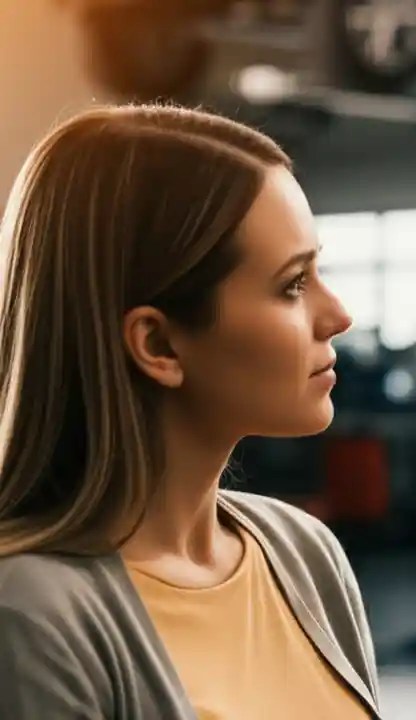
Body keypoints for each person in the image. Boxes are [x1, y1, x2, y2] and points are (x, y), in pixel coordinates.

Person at [0, 105, 381, 719]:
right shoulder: (30, 617)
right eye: (292, 284)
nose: (338, 314)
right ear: (158, 345)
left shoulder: (304, 553)